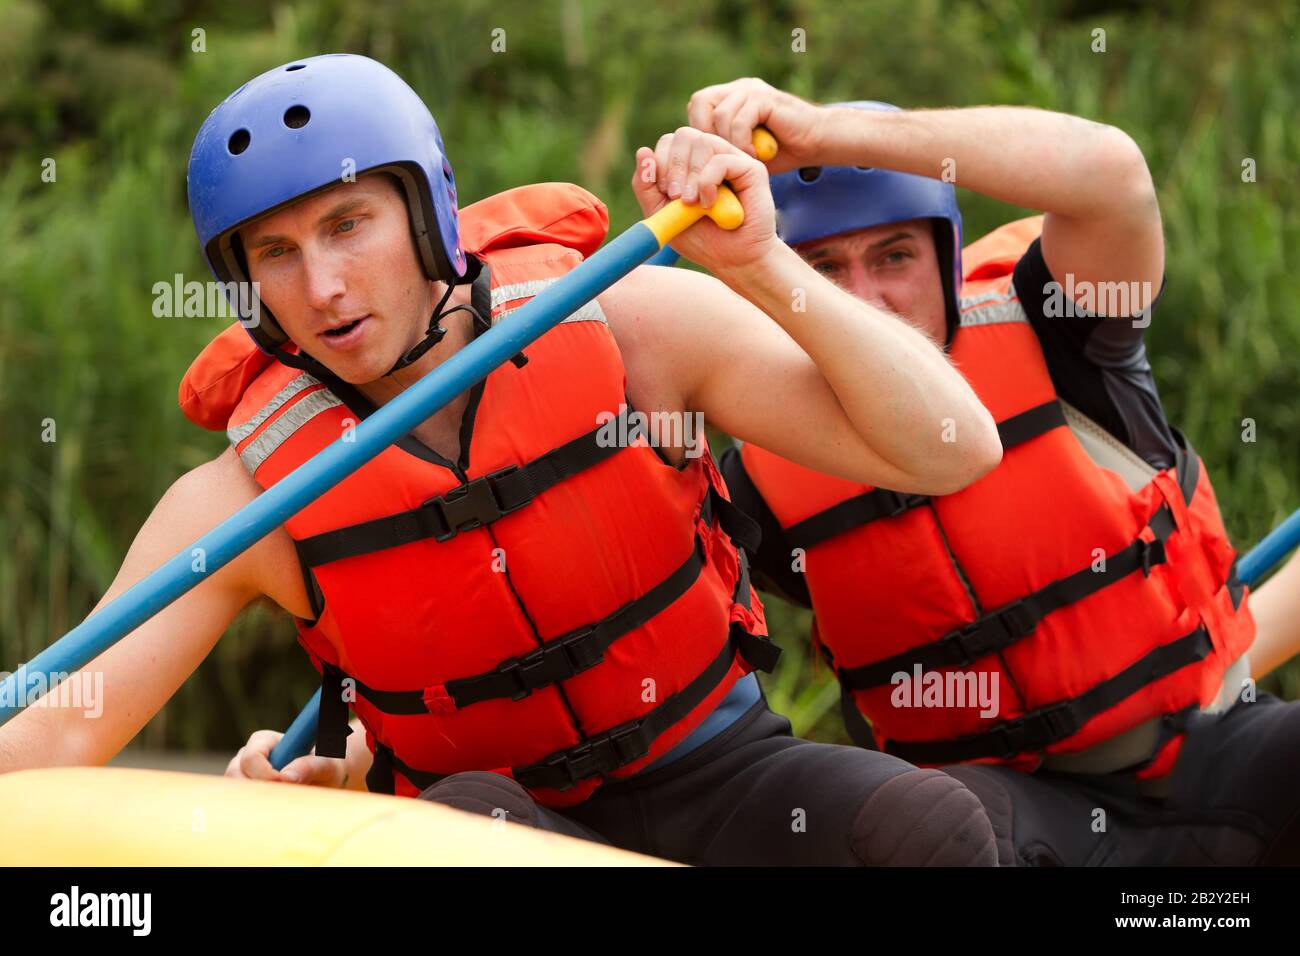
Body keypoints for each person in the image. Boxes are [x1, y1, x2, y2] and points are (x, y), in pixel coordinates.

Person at [0, 56, 1005, 866]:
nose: (323, 285)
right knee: (472, 831)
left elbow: (951, 449)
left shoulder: (630, 327)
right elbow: (49, 740)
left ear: (430, 215)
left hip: (723, 774)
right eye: (275, 253)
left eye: (349, 224)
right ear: (245, 288)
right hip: (493, 819)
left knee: (929, 828)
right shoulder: (244, 500)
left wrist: (763, 267)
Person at [686, 78, 1300, 865]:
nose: (869, 299)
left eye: (895, 255)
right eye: (824, 269)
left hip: (1210, 754)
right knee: (935, 820)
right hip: (1010, 818)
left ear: (944, 256)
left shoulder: (1065, 330)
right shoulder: (759, 479)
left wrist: (826, 132)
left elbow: (1111, 175)